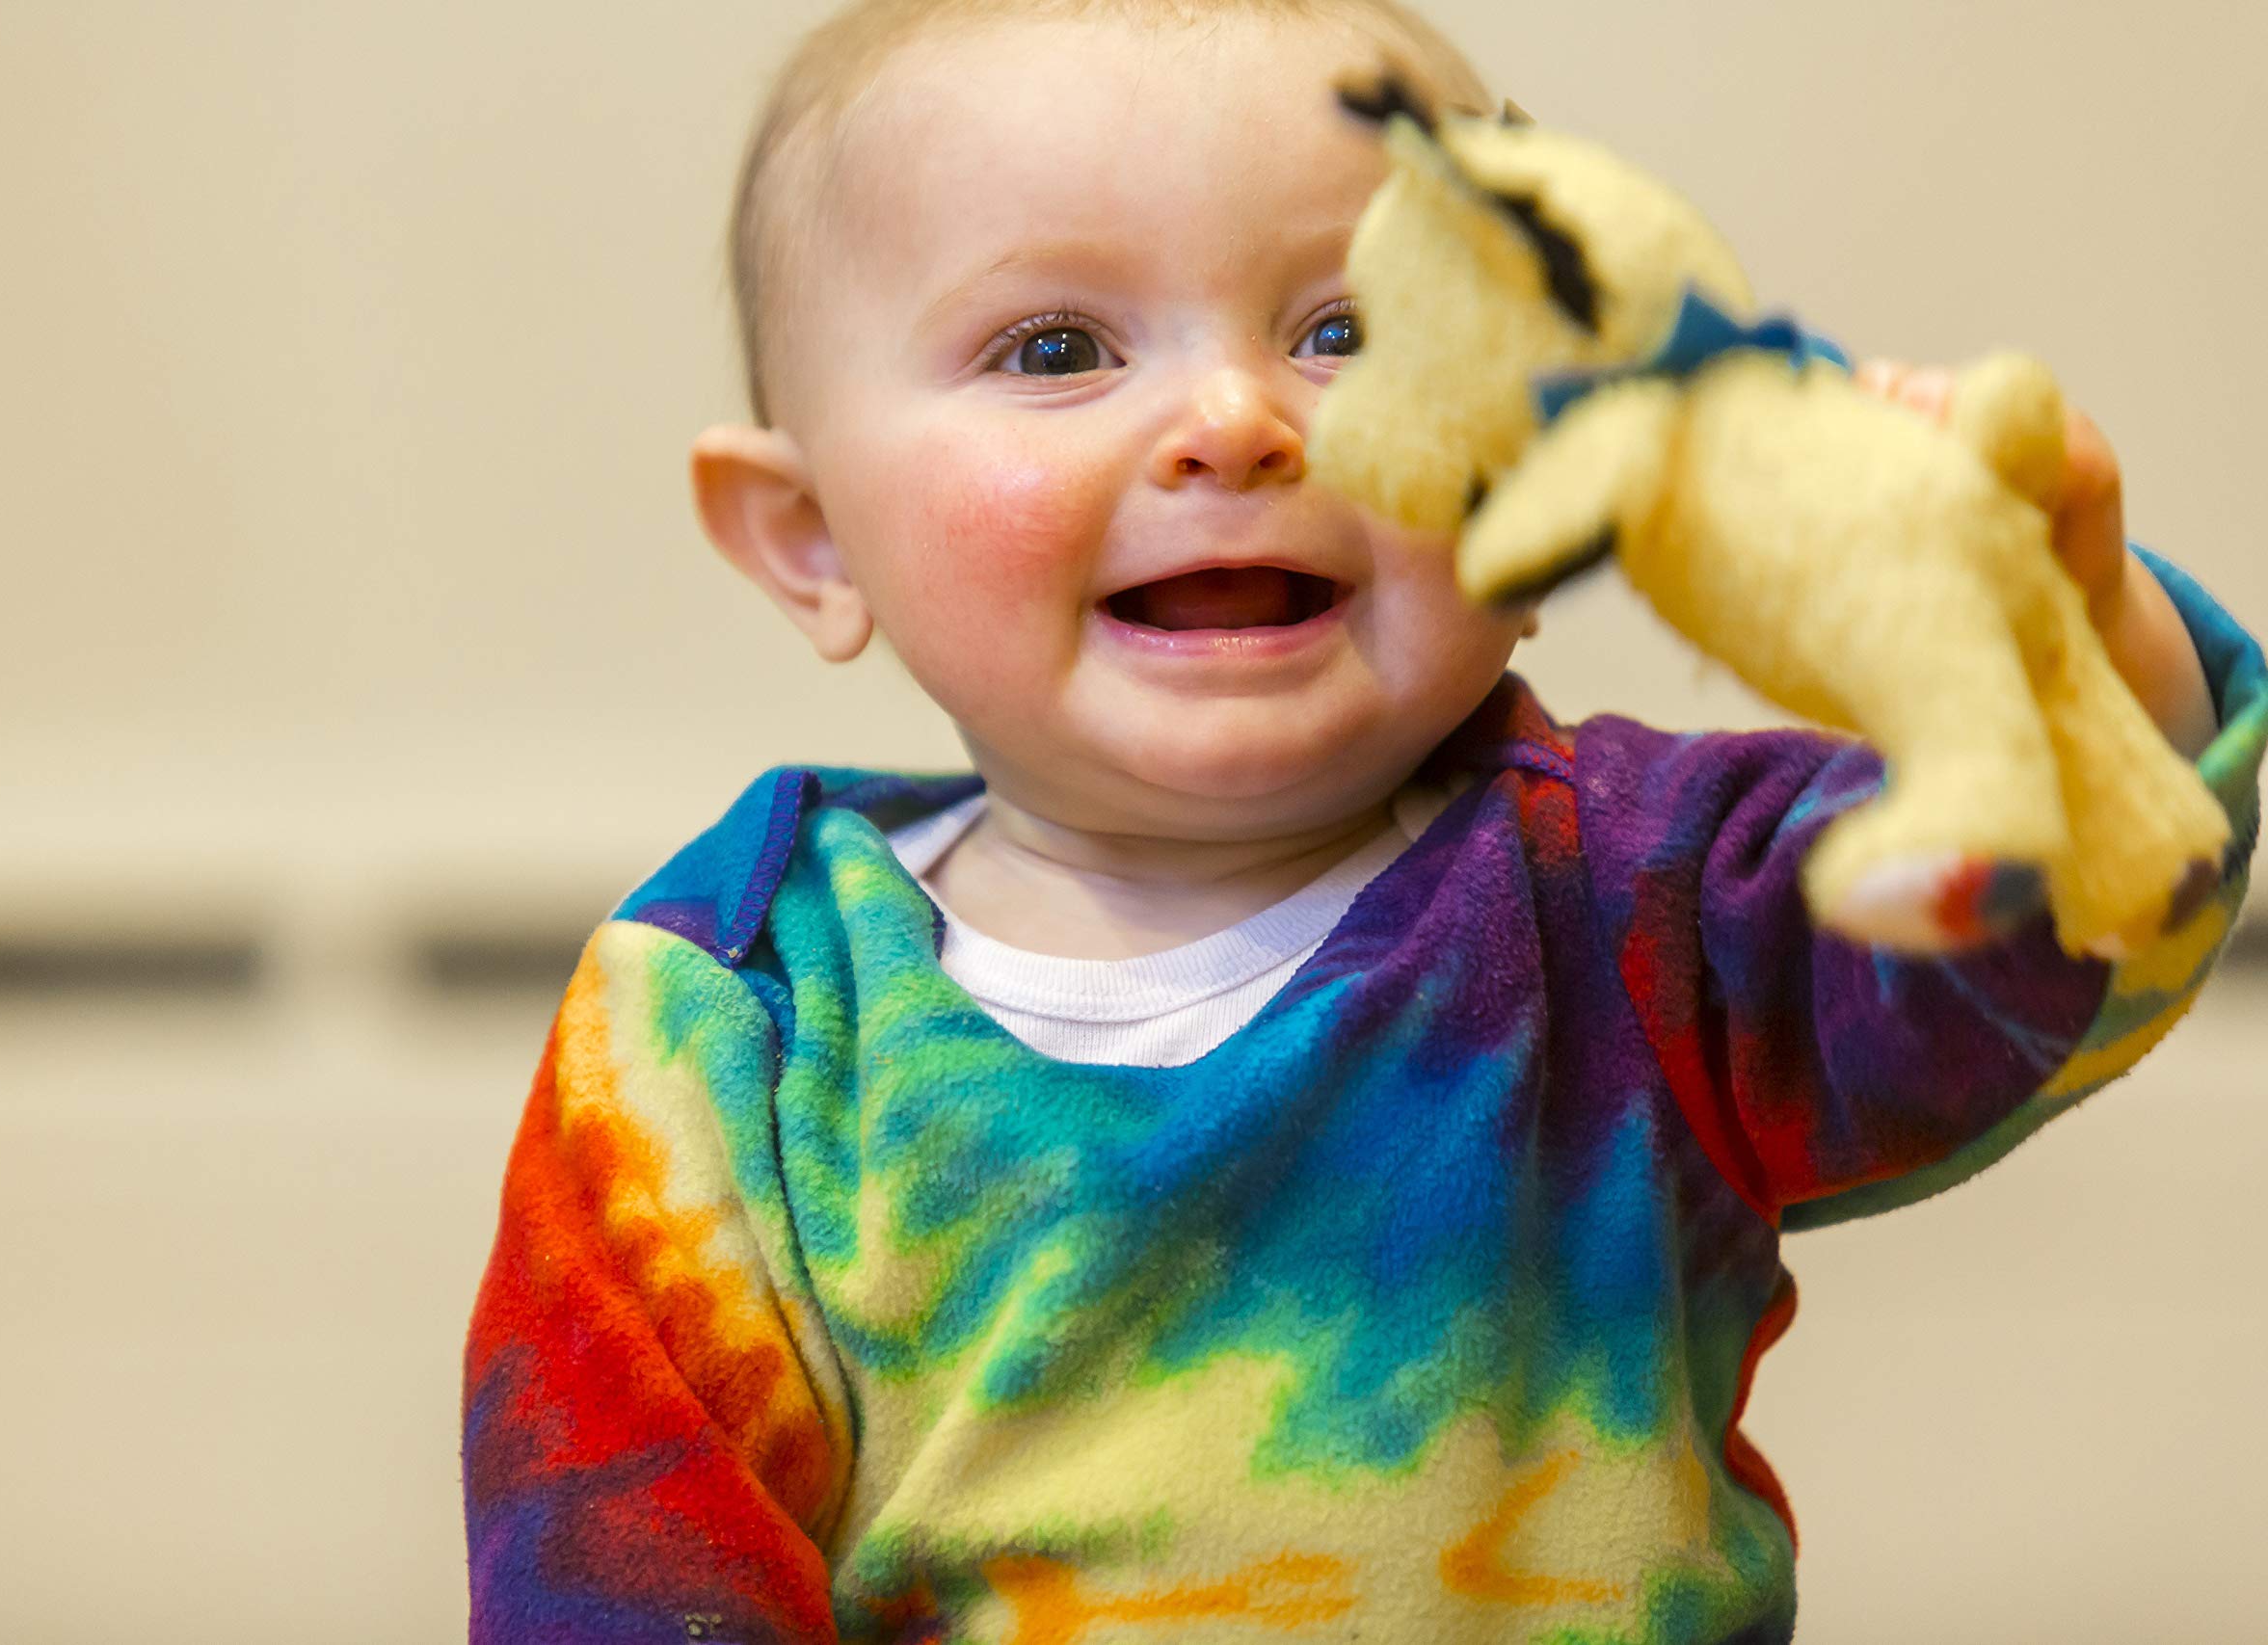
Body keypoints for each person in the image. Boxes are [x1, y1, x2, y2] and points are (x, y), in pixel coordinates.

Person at [460, 3, 2264, 1640]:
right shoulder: (727, 1027)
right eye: (1058, 345)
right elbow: (615, 1572)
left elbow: (2035, 935)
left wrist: (2061, 636)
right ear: (811, 539)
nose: (1236, 424)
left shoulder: (1633, 895)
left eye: (1349, 332)